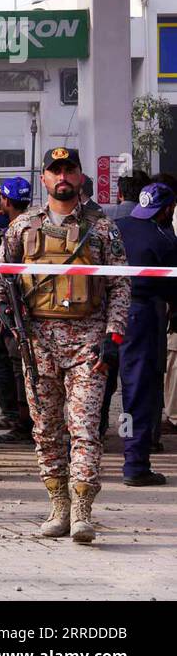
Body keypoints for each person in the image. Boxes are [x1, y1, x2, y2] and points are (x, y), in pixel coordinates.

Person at [0, 147, 130, 543]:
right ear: (45, 179)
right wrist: (5, 310)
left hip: (87, 340)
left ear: (80, 177)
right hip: (37, 344)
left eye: (70, 170)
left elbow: (120, 283)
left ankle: (82, 510)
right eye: (55, 171)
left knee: (84, 427)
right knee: (46, 430)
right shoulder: (23, 226)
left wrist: (113, 336)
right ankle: (58, 507)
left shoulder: (102, 228)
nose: (62, 176)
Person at [113, 181, 177, 486]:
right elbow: (172, 289)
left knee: (94, 390)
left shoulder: (115, 227)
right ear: (168, 210)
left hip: (103, 315)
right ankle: (135, 463)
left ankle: (81, 455)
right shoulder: (165, 239)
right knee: (137, 392)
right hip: (140, 316)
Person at [0, 176, 34, 437]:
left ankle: (24, 424)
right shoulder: (39, 224)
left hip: (21, 309)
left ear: (6, 201)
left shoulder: (17, 230)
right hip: (30, 308)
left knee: (21, 368)